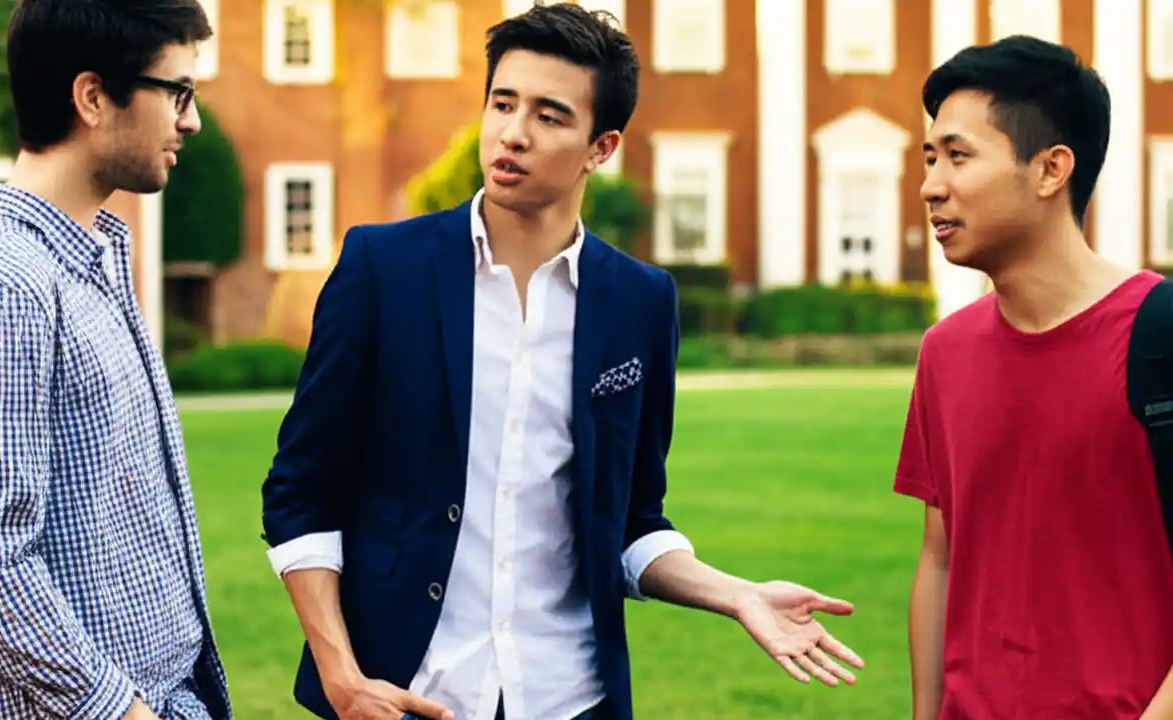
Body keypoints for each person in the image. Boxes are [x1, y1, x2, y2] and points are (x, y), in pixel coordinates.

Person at [260, 4, 864, 719]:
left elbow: (632, 520)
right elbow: (300, 490)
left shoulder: (641, 302)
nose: (513, 133)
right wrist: (341, 674)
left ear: (600, 147)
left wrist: (736, 595)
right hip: (401, 695)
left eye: (549, 116)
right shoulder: (381, 268)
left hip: (571, 698)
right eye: (502, 103)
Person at [0, 1, 230, 718]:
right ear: (92, 97)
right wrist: (126, 711)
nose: (191, 120)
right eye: (177, 91)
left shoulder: (90, 260)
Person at [897, 34, 1173, 719]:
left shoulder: (1162, 333)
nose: (931, 185)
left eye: (958, 156)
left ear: (1051, 170)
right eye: (930, 158)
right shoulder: (944, 353)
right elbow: (940, 559)